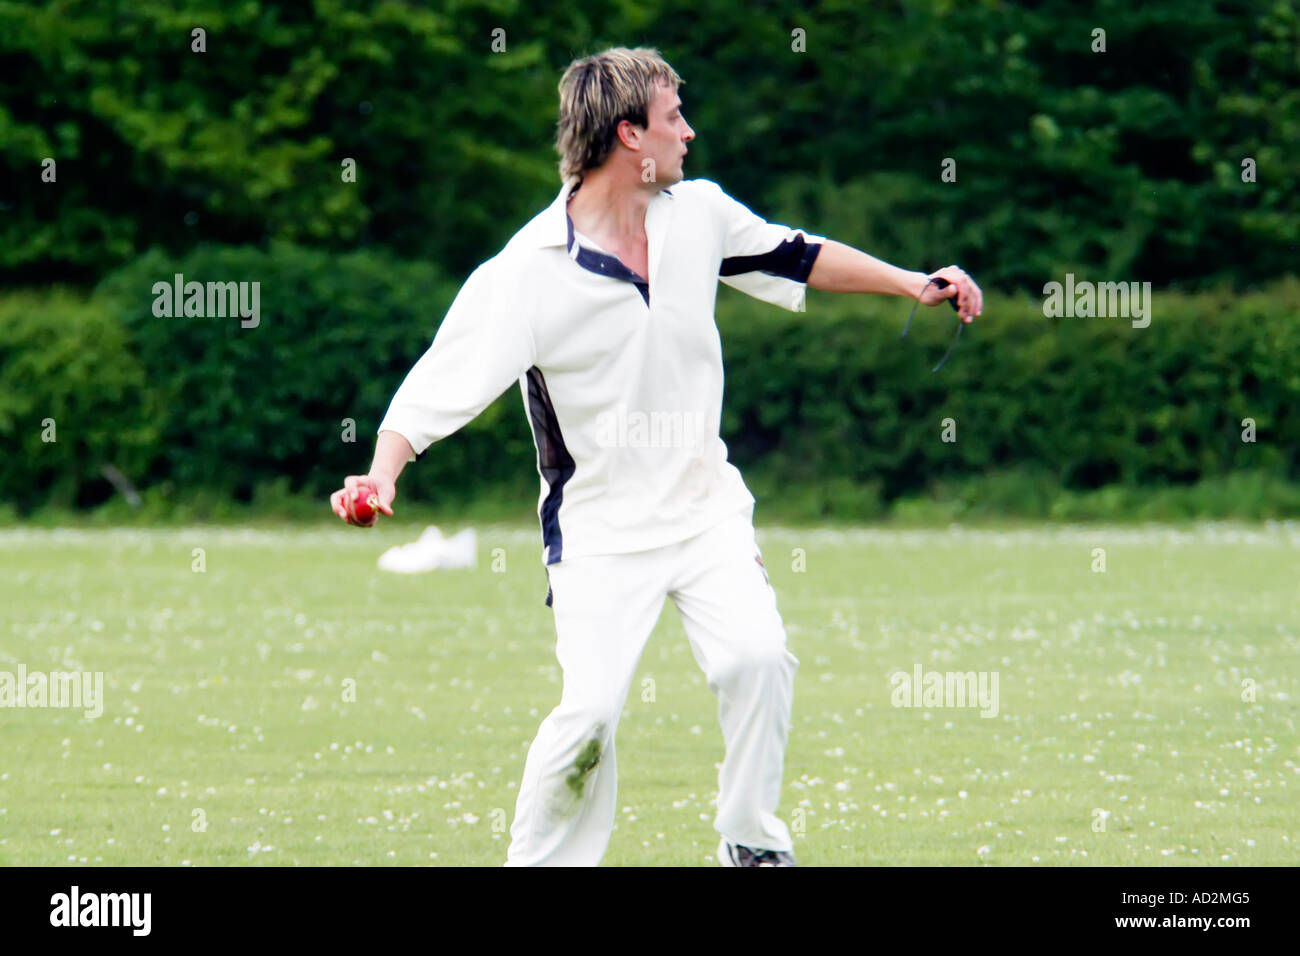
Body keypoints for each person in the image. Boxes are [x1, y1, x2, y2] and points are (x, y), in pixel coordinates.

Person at [330, 46, 982, 867]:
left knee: (758, 659)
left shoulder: (698, 214)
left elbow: (797, 253)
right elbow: (436, 386)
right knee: (591, 718)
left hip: (704, 507)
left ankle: (749, 843)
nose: (691, 132)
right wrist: (381, 474)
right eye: (675, 118)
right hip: (599, 532)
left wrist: (913, 281)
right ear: (629, 134)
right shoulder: (527, 272)